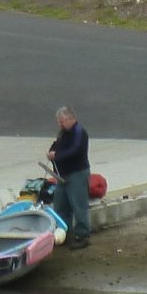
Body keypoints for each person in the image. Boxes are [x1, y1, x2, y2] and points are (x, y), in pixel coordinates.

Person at [46, 105, 92, 249]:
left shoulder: (79, 132)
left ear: (72, 119)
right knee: (61, 205)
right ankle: (64, 233)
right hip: (62, 175)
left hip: (77, 173)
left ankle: (82, 235)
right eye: (59, 121)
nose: (61, 123)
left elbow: (75, 150)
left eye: (63, 121)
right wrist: (51, 152)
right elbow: (56, 145)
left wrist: (57, 156)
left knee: (79, 205)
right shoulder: (63, 133)